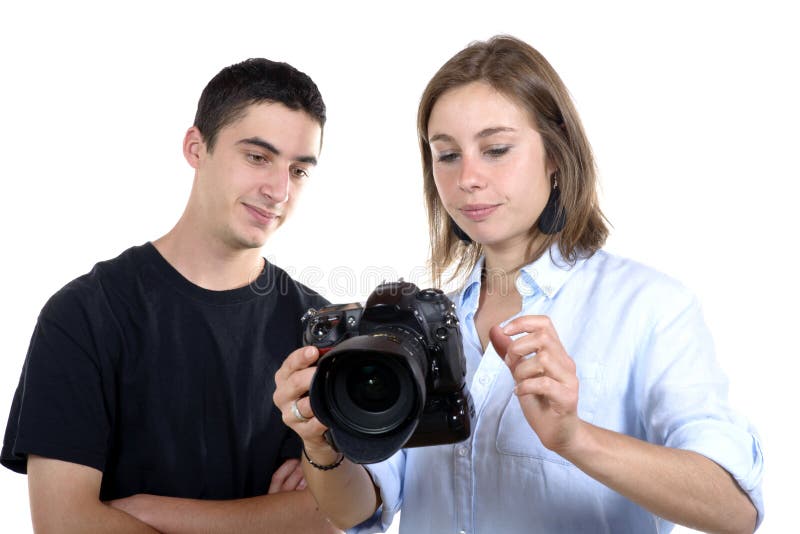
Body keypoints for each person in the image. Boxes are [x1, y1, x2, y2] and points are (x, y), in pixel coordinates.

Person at [273, 35, 764, 533]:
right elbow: (359, 508)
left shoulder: (650, 308)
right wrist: (321, 443)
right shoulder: (416, 324)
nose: (468, 177)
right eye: (447, 155)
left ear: (556, 154)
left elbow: (734, 508)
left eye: (496, 149)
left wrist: (575, 437)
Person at [2, 58, 340, 533]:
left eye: (299, 170)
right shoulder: (83, 316)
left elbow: (335, 521)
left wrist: (152, 514)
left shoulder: (320, 330)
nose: (279, 190)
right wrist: (266, 522)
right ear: (196, 148)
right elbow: (64, 525)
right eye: (258, 157)